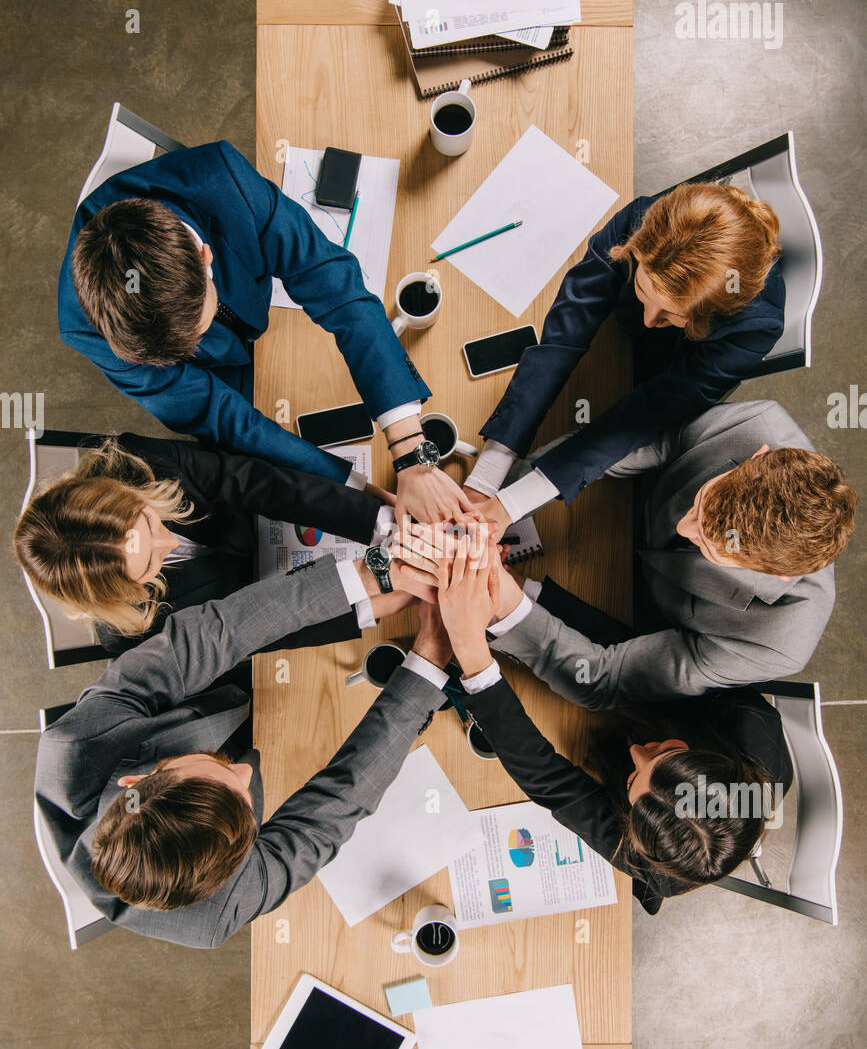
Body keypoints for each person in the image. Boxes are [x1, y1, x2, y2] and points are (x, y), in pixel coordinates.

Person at [34, 561, 457, 949]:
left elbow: (213, 636)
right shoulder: (218, 912)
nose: (243, 771)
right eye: (243, 797)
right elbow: (334, 808)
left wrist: (373, 575)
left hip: (209, 691)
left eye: (220, 774)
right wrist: (429, 660)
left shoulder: (77, 747)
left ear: (136, 781)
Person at [58, 139, 476, 525]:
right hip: (209, 382)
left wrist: (411, 456)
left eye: (198, 327)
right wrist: (354, 490)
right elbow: (223, 417)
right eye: (188, 346)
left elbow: (339, 292)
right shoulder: (89, 330)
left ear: (206, 256)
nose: (200, 342)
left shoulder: (225, 184)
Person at [432, 528, 793, 914]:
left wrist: (470, 649)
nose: (636, 750)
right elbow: (637, 664)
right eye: (660, 754)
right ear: (710, 757)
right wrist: (522, 596)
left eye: (633, 782)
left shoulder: (650, 862)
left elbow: (550, 781)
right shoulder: (749, 722)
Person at [405, 401, 857, 704]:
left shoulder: (778, 643)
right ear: (758, 455)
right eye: (703, 503)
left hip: (623, 612)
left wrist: (505, 604)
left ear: (774, 577)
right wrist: (514, 500)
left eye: (710, 546)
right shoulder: (759, 423)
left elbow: (607, 678)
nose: (684, 526)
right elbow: (639, 440)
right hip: (608, 503)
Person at [462, 183, 786, 536]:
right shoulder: (641, 222)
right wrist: (488, 472)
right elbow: (564, 336)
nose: (650, 320)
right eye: (644, 291)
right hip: (614, 348)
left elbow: (647, 412)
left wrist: (513, 503)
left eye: (672, 315)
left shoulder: (757, 326)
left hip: (672, 378)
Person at [14, 433, 413, 657]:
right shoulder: (128, 638)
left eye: (150, 521)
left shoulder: (134, 463)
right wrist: (367, 608)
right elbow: (255, 634)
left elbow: (253, 481)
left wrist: (377, 520)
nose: (168, 542)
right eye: (151, 564)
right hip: (277, 597)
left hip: (270, 516)